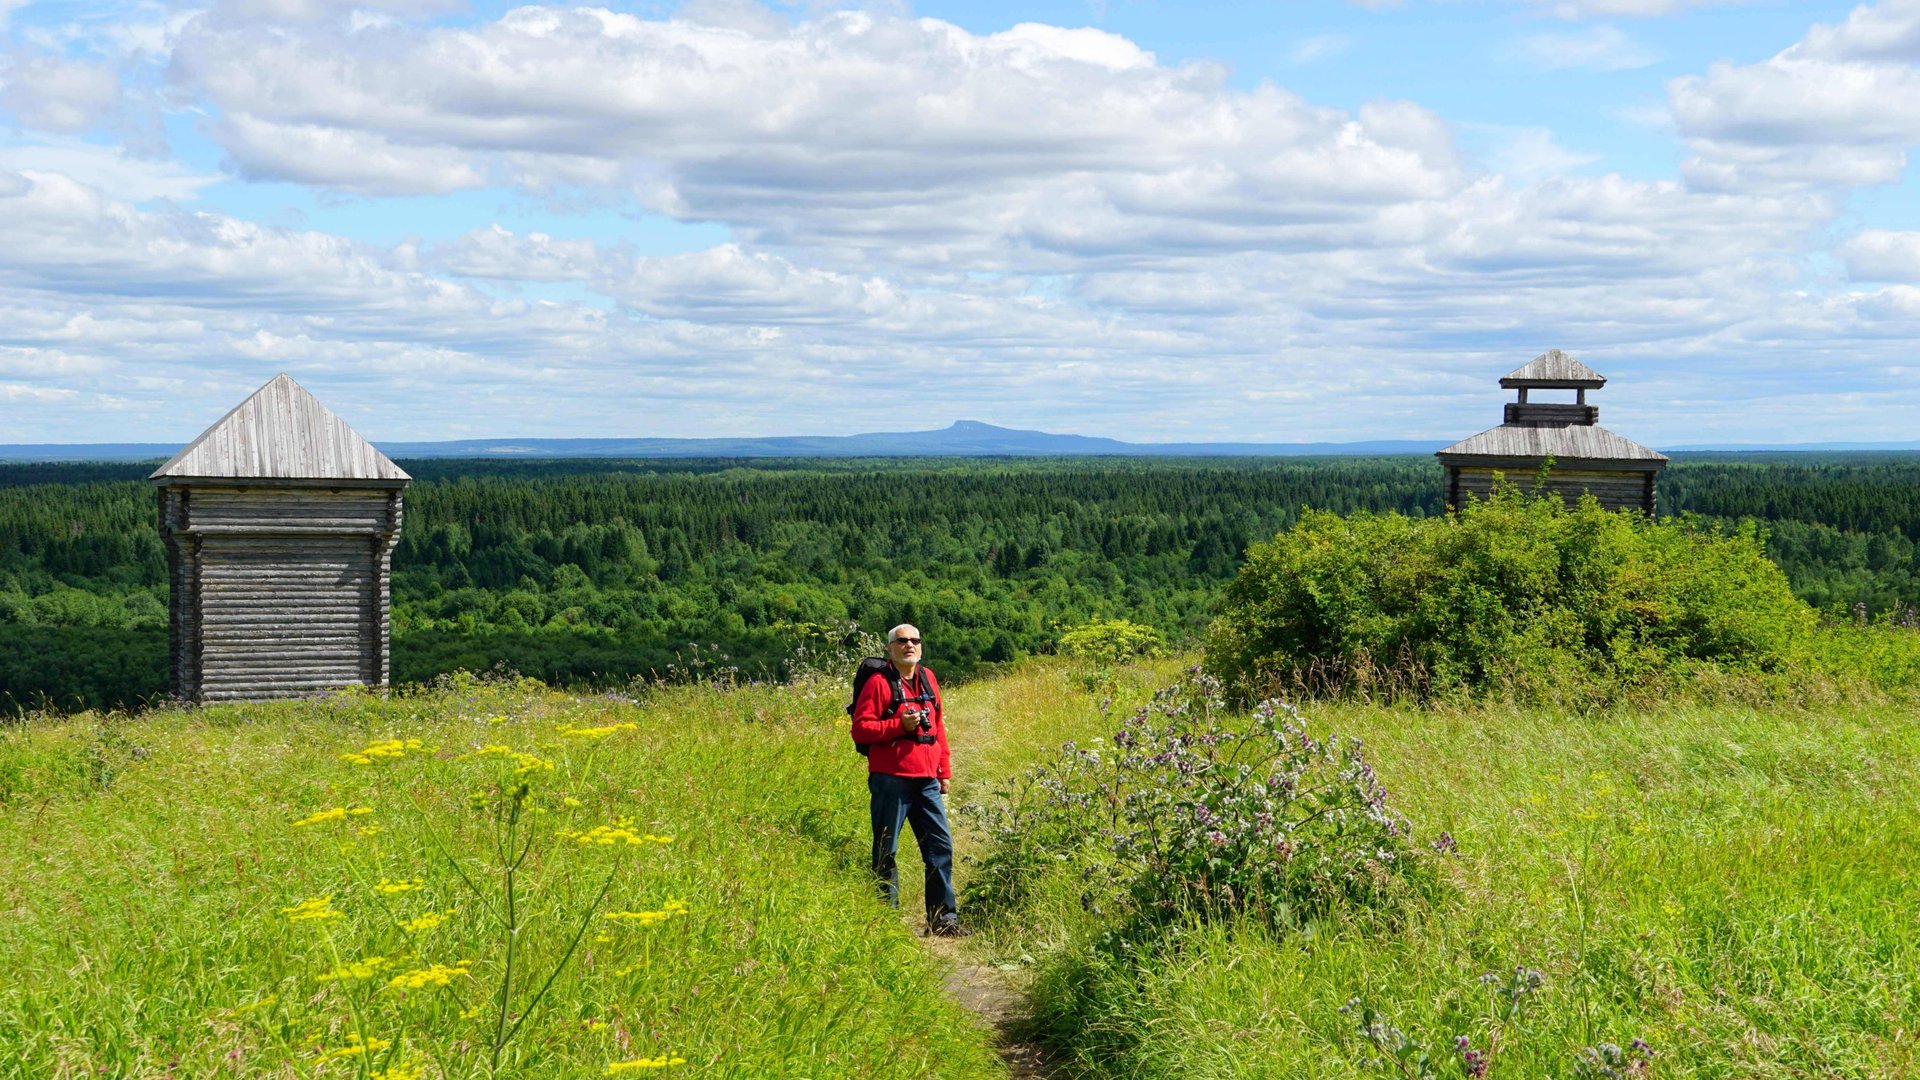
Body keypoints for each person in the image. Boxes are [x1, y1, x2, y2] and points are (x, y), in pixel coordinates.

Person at [849, 623, 964, 936]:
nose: (909, 645)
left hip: (926, 780)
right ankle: (886, 925)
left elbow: (938, 728)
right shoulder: (878, 683)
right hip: (891, 780)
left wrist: (944, 771)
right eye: (902, 641)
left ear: (921, 647)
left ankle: (943, 921)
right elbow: (860, 730)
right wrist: (899, 726)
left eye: (915, 640)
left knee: (940, 849)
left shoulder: (928, 678)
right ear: (891, 648)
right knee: (887, 851)